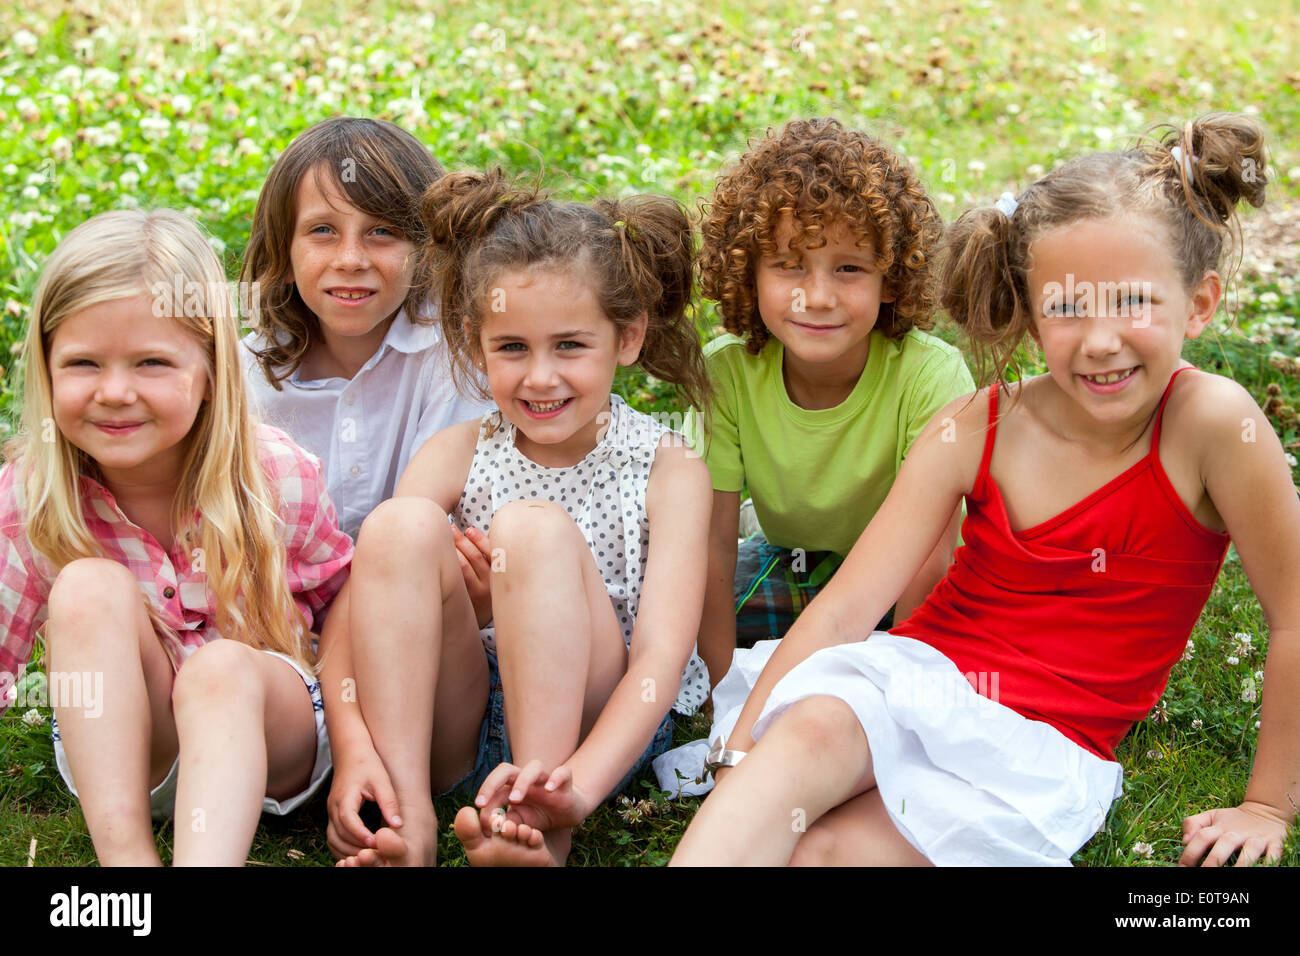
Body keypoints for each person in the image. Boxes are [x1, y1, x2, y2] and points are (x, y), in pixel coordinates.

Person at [672, 113, 1300, 866]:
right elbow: (845, 610)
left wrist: (1266, 804)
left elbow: (1292, 615)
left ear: (1198, 303)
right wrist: (741, 743)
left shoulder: (1212, 425)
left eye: (1133, 301)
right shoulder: (976, 425)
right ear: (1030, 314)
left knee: (826, 854)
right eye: (1066, 307)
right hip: (920, 676)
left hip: (1043, 740)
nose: (1100, 340)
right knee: (803, 736)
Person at [322, 169, 713, 866]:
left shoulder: (667, 465)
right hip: (463, 723)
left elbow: (660, 659)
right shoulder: (455, 454)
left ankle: (540, 829)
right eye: (512, 348)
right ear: (475, 344)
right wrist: (352, 749)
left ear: (627, 338)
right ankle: (407, 822)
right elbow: (357, 620)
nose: (540, 378)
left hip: (593, 732)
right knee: (395, 526)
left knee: (532, 530)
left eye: (569, 345)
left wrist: (577, 790)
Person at [0, 209, 352, 866]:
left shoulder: (276, 476)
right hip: (132, 755)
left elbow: (348, 610)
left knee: (218, 670)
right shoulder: (30, 498)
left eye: (152, 362)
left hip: (271, 739)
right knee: (85, 587)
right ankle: (126, 862)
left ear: (213, 370)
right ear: (46, 370)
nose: (114, 392)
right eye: (82, 363)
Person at [689, 117, 975, 687]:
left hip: (910, 583)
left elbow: (931, 558)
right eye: (789, 264)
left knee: (968, 645)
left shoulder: (931, 376)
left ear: (890, 278)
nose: (817, 296)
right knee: (665, 603)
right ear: (749, 272)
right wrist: (717, 687)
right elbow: (712, 545)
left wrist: (890, 688)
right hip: (791, 563)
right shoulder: (726, 372)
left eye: (849, 268)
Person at [240, 116, 489, 541]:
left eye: (382, 232)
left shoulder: (458, 360)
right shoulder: (241, 374)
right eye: (323, 230)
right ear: (283, 252)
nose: (351, 259)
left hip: (423, 592)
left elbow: (451, 544)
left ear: (428, 251)